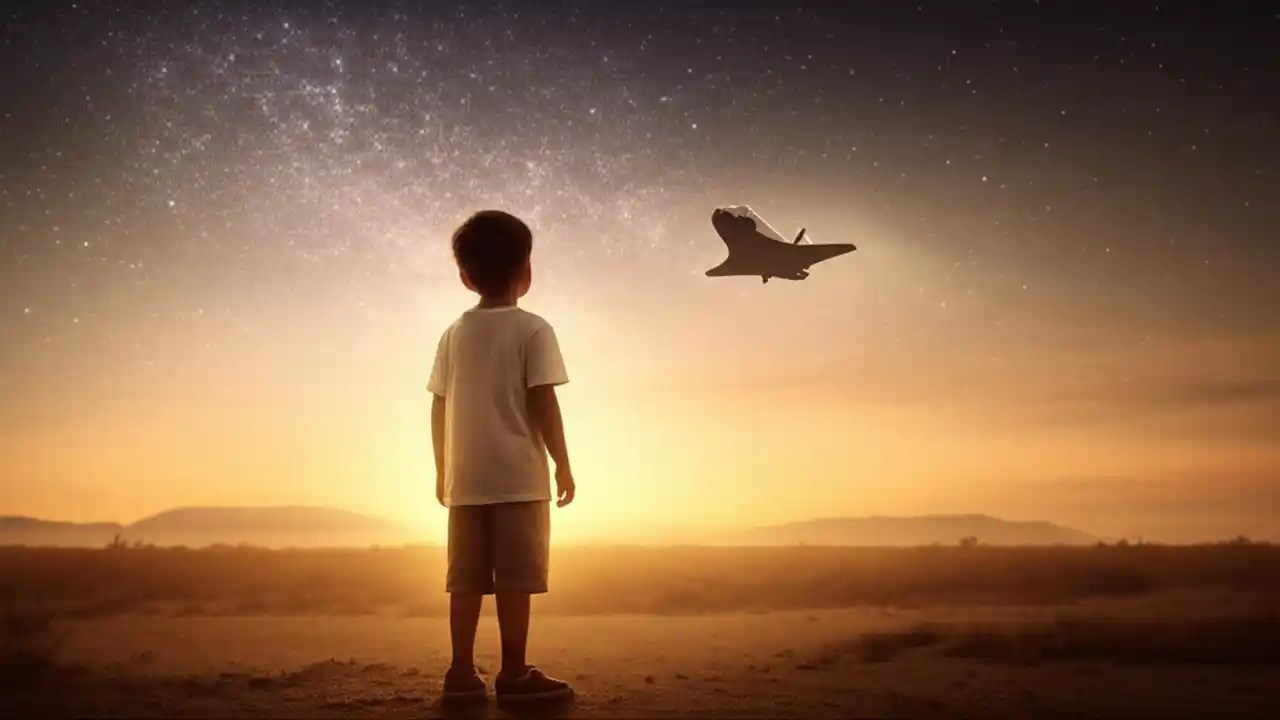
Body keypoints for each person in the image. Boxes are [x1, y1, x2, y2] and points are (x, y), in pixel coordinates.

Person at [427, 210, 576, 705]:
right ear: (526, 272)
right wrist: (562, 462)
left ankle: (461, 672)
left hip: (465, 481)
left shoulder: (453, 333)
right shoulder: (534, 330)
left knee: (464, 580)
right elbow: (543, 401)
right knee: (516, 580)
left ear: (465, 276)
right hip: (518, 478)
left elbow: (439, 404)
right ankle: (513, 673)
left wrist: (441, 468)